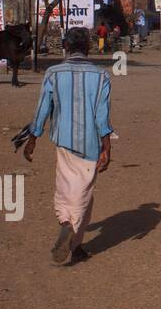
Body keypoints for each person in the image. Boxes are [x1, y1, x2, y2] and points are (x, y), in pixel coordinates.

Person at [23, 27, 114, 265]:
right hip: (91, 144)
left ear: (66, 46)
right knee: (84, 193)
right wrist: (107, 147)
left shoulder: (53, 73)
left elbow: (43, 108)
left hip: (63, 141)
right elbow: (101, 116)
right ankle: (75, 239)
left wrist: (33, 137)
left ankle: (67, 225)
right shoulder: (101, 76)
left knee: (66, 188)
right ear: (88, 48)